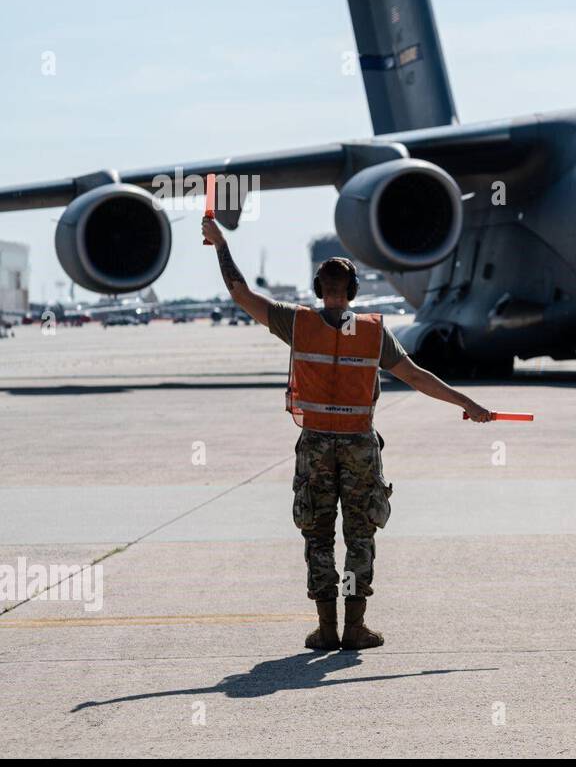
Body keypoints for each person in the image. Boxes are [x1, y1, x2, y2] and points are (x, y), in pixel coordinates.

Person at [201, 217, 492, 651]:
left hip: (316, 445)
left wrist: (221, 244)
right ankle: (355, 627)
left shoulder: (297, 324)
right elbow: (417, 377)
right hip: (359, 446)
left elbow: (240, 293)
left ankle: (326, 627)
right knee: (360, 535)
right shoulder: (373, 332)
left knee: (318, 535)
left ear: (319, 289)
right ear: (352, 292)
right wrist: (466, 403)